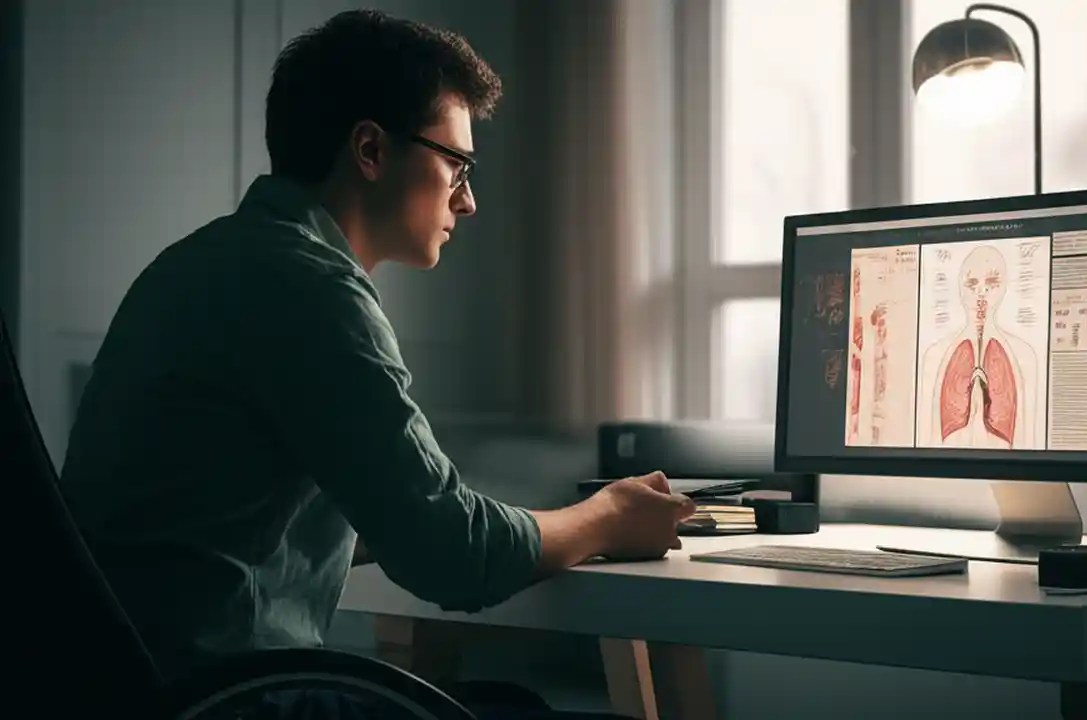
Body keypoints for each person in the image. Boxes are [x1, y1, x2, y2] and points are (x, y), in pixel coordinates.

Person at [57, 9, 694, 719]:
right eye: (456, 163)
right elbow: (454, 556)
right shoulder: (309, 287)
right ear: (370, 149)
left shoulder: (204, 262)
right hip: (226, 699)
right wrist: (607, 516)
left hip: (134, 686)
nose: (469, 200)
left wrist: (421, 514)